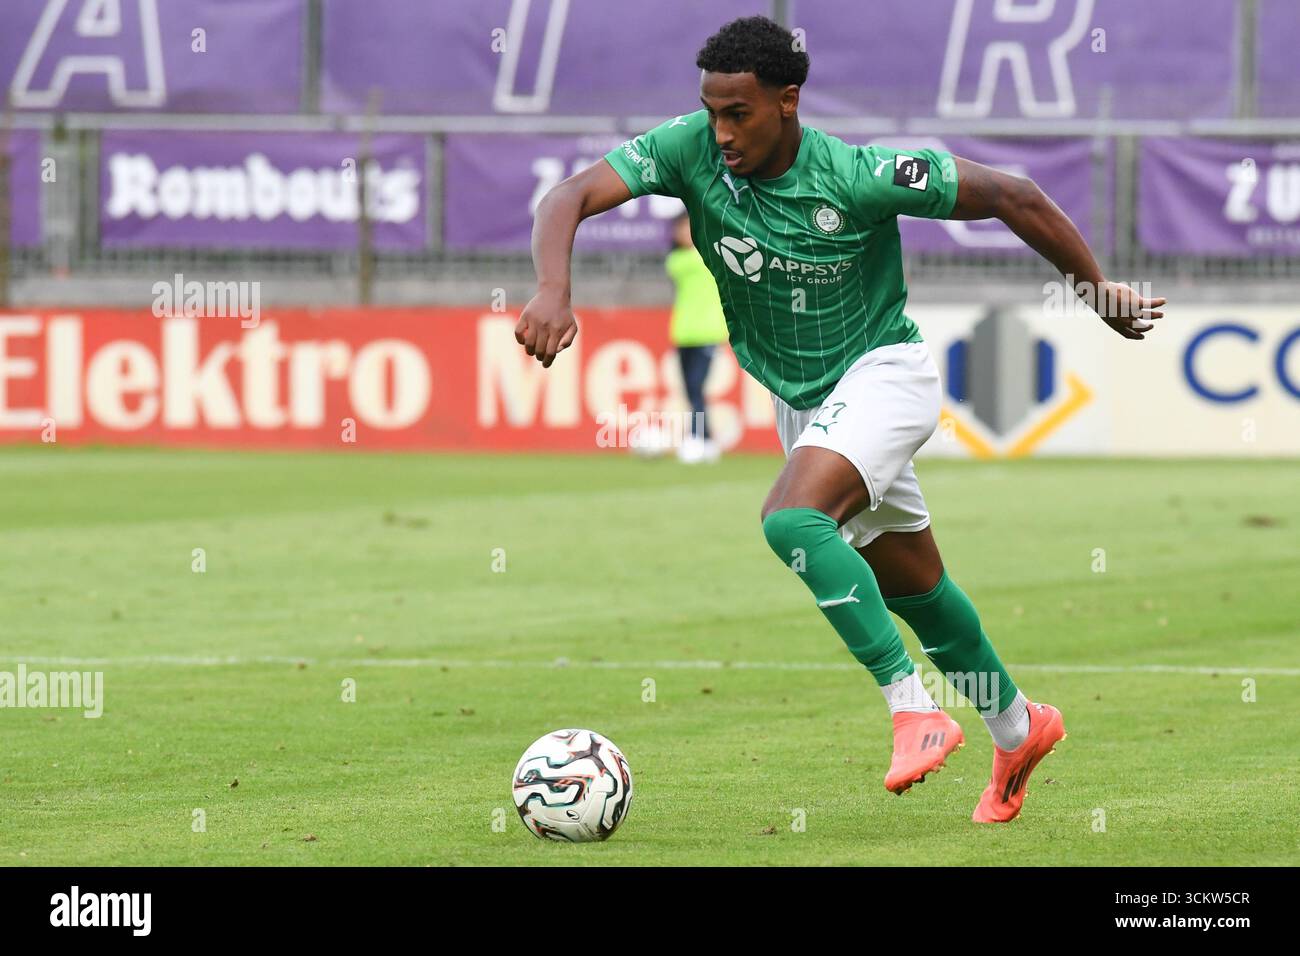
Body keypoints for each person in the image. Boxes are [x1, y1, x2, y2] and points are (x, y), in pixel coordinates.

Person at [515, 15, 1164, 823]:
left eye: (738, 113)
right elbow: (567, 196)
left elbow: (1013, 195)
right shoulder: (687, 149)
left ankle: (912, 708)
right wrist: (550, 287)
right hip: (806, 402)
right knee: (916, 587)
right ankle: (1019, 725)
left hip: (884, 375)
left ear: (787, 102)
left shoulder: (860, 174)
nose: (720, 132)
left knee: (792, 520)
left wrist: (1097, 291)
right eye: (711, 111)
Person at [666, 211, 728, 463]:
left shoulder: (703, 256)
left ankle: (698, 438)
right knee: (691, 390)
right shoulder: (678, 261)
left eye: (687, 227)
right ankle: (706, 439)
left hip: (708, 332)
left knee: (696, 388)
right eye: (679, 228)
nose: (682, 233)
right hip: (684, 332)